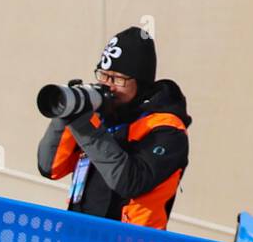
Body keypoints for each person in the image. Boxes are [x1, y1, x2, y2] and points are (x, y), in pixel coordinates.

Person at [37, 26, 191, 230]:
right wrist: (65, 113)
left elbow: (130, 181)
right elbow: (49, 168)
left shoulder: (168, 130)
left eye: (117, 79)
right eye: (103, 75)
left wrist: (85, 125)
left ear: (141, 83)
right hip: (76, 237)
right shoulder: (100, 113)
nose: (108, 86)